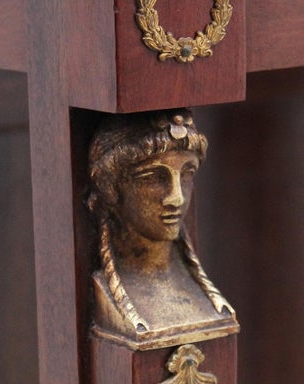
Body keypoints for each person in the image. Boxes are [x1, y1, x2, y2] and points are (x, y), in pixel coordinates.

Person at [88, 109, 235, 341]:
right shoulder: (106, 290)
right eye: (153, 177)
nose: (176, 198)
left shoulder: (208, 298)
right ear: (112, 189)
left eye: (186, 175)